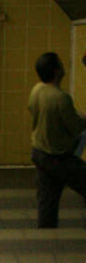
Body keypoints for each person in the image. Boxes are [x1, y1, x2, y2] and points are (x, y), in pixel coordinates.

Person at [27, 52, 86, 227]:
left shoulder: (36, 90)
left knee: (47, 200)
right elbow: (76, 128)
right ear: (56, 71)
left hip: (39, 152)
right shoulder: (61, 98)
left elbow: (33, 110)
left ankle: (46, 235)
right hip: (59, 157)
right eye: (60, 64)